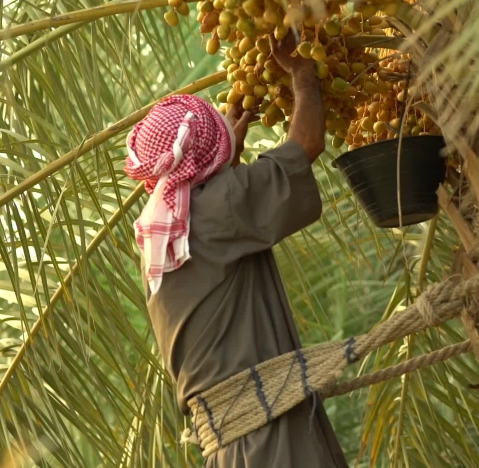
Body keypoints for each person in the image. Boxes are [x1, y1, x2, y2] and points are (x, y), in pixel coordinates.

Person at [123, 33, 349, 468]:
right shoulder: (217, 209)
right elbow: (307, 143)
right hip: (270, 441)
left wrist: (223, 150)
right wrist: (302, 72)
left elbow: (213, 198)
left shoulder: (162, 233)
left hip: (231, 449)